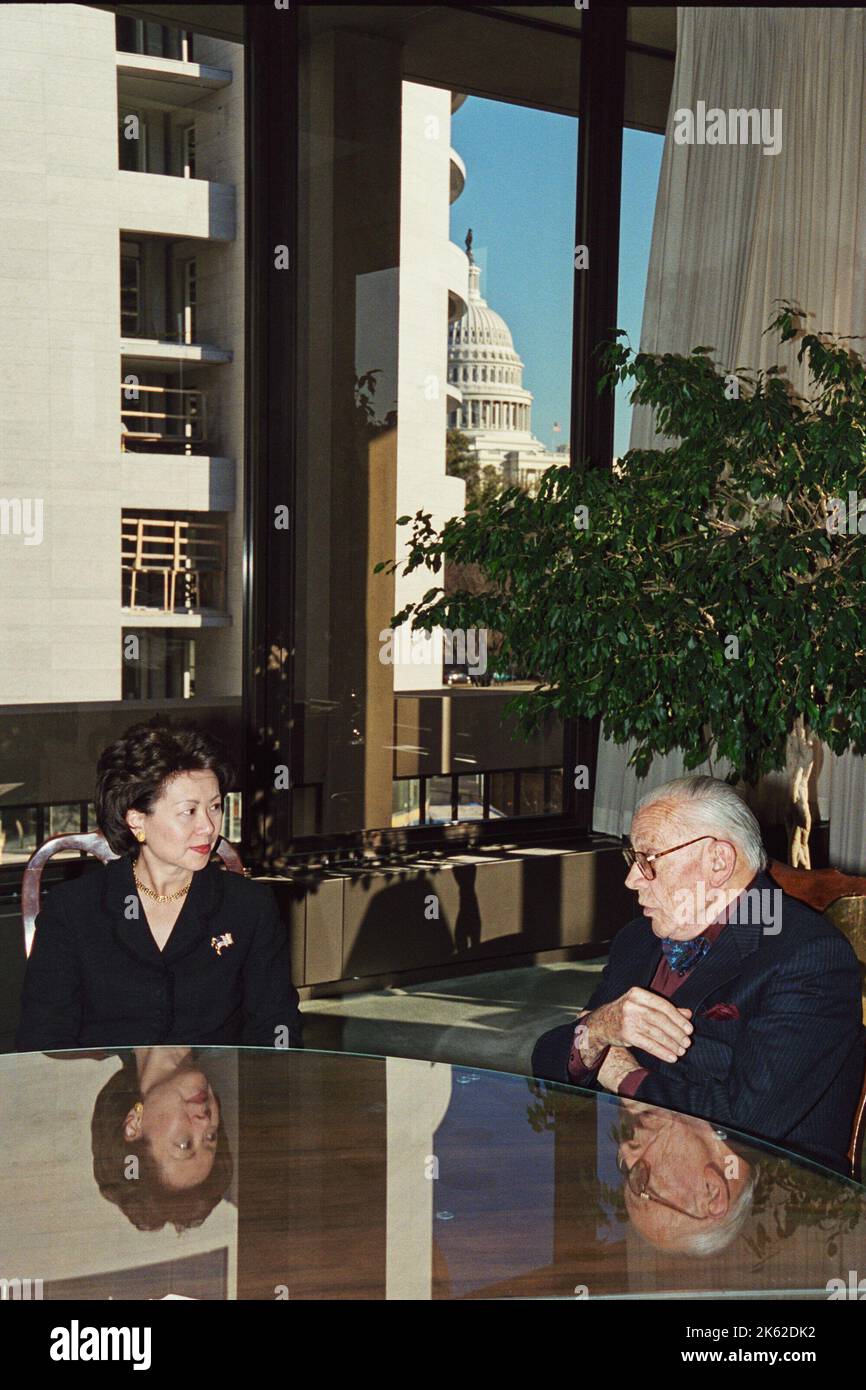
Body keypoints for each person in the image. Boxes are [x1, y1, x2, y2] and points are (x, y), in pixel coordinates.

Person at [532, 776, 865, 1174]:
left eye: (649, 859)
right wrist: (601, 1028)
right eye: (633, 859)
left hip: (769, 1197)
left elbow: (746, 1124)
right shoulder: (639, 940)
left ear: (718, 861)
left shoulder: (808, 957)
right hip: (654, 1165)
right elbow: (548, 1060)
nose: (631, 879)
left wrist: (621, 1073)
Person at [15, 721, 303, 1052]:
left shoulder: (249, 906)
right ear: (136, 820)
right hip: (106, 1095)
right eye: (189, 812)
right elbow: (43, 1039)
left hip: (209, 1094)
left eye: (215, 806)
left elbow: (277, 1025)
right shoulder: (74, 910)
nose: (208, 827)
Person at [90, 1047, 233, 1232]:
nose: (205, 1121)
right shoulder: (236, 1029)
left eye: (184, 1144)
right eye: (210, 1137)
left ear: (133, 1124)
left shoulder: (84, 1034)